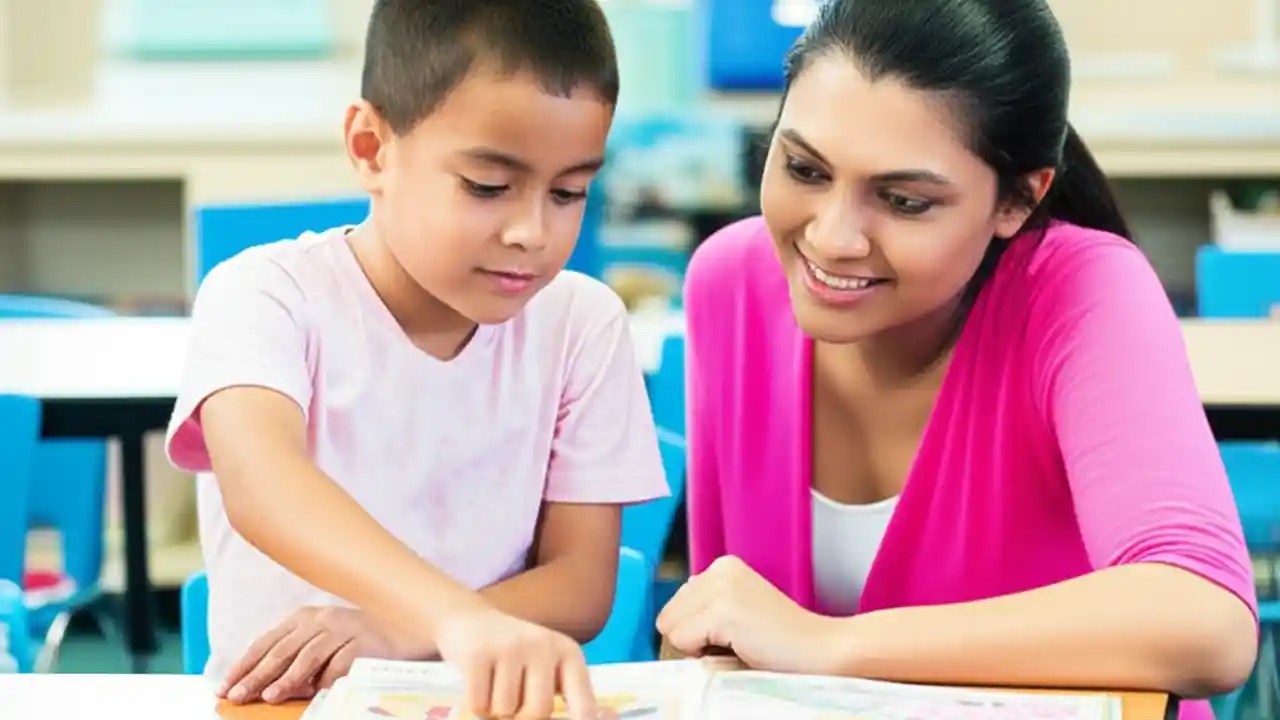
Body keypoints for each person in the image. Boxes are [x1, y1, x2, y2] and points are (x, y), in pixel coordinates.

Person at [657, 1, 1257, 718]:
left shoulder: (1080, 291)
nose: (833, 236)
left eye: (905, 201)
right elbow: (729, 646)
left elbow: (1206, 621)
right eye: (804, 168)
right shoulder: (733, 283)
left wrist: (833, 644)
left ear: (1017, 200)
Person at [165, 2, 667, 718]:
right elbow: (263, 486)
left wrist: (395, 628)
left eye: (569, 192)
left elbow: (582, 583)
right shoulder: (263, 293)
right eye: (488, 187)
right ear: (371, 147)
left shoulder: (580, 323)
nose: (532, 231)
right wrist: (454, 619)